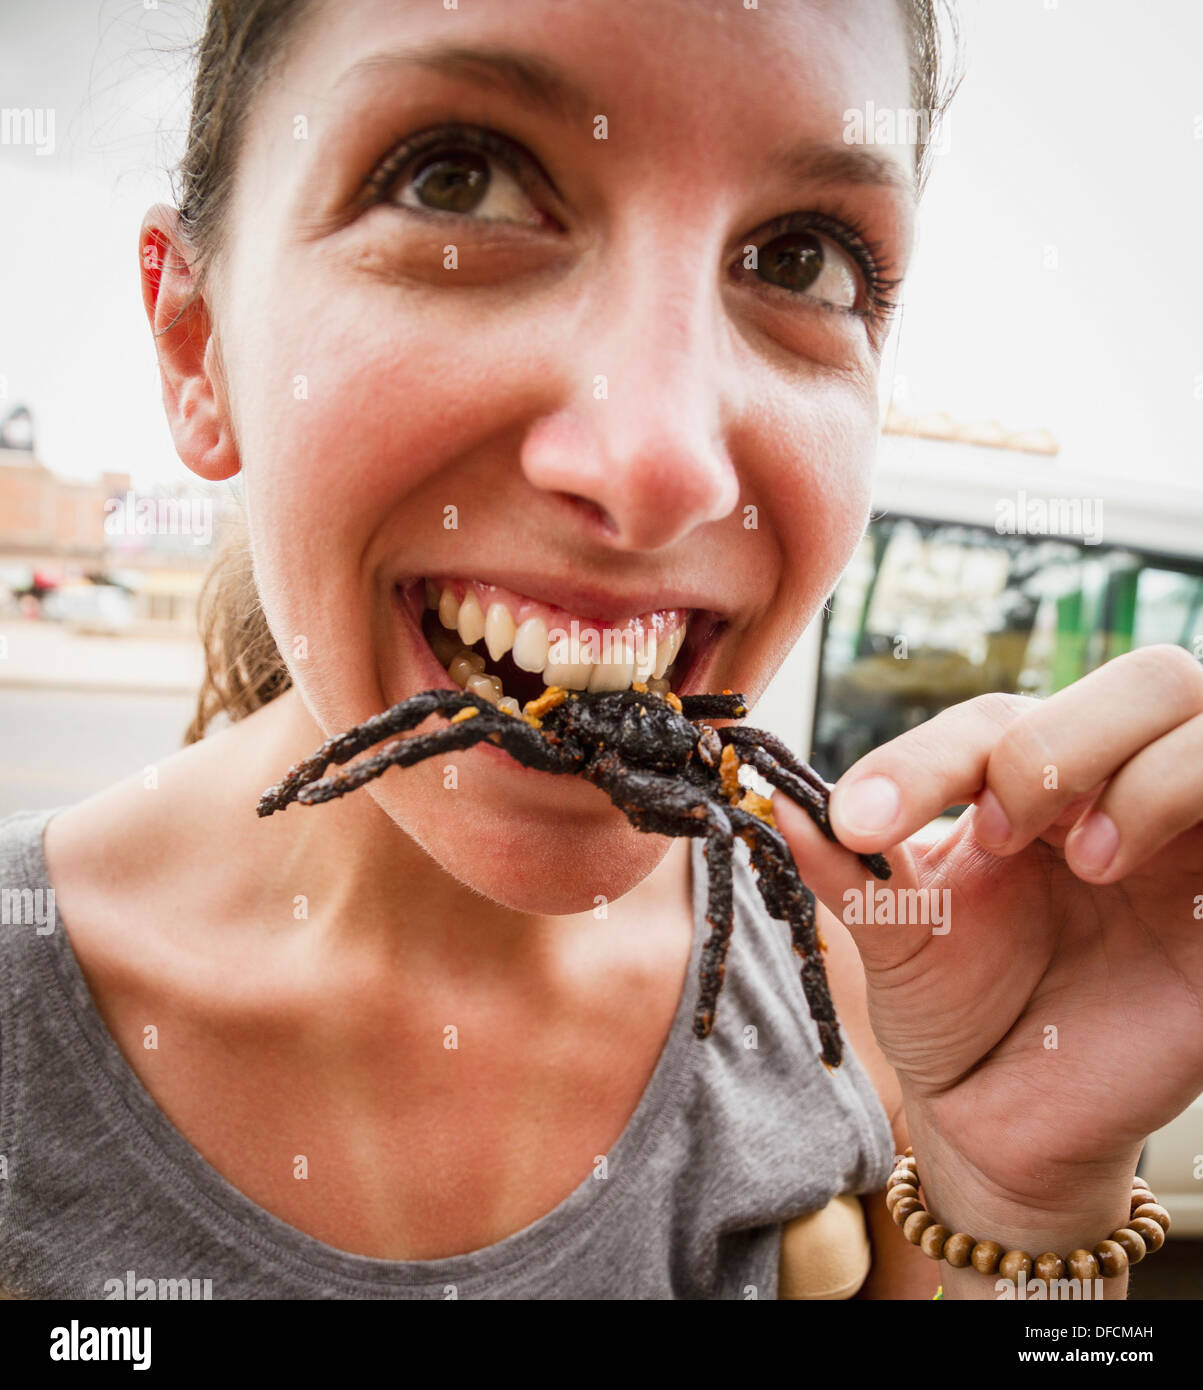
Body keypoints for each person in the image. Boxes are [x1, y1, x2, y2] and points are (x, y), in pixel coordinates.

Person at [1, 0, 1198, 1301]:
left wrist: (1027, 1195)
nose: (661, 464)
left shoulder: (883, 971)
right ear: (196, 341)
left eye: (801, 260)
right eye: (457, 180)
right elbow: (449, 719)